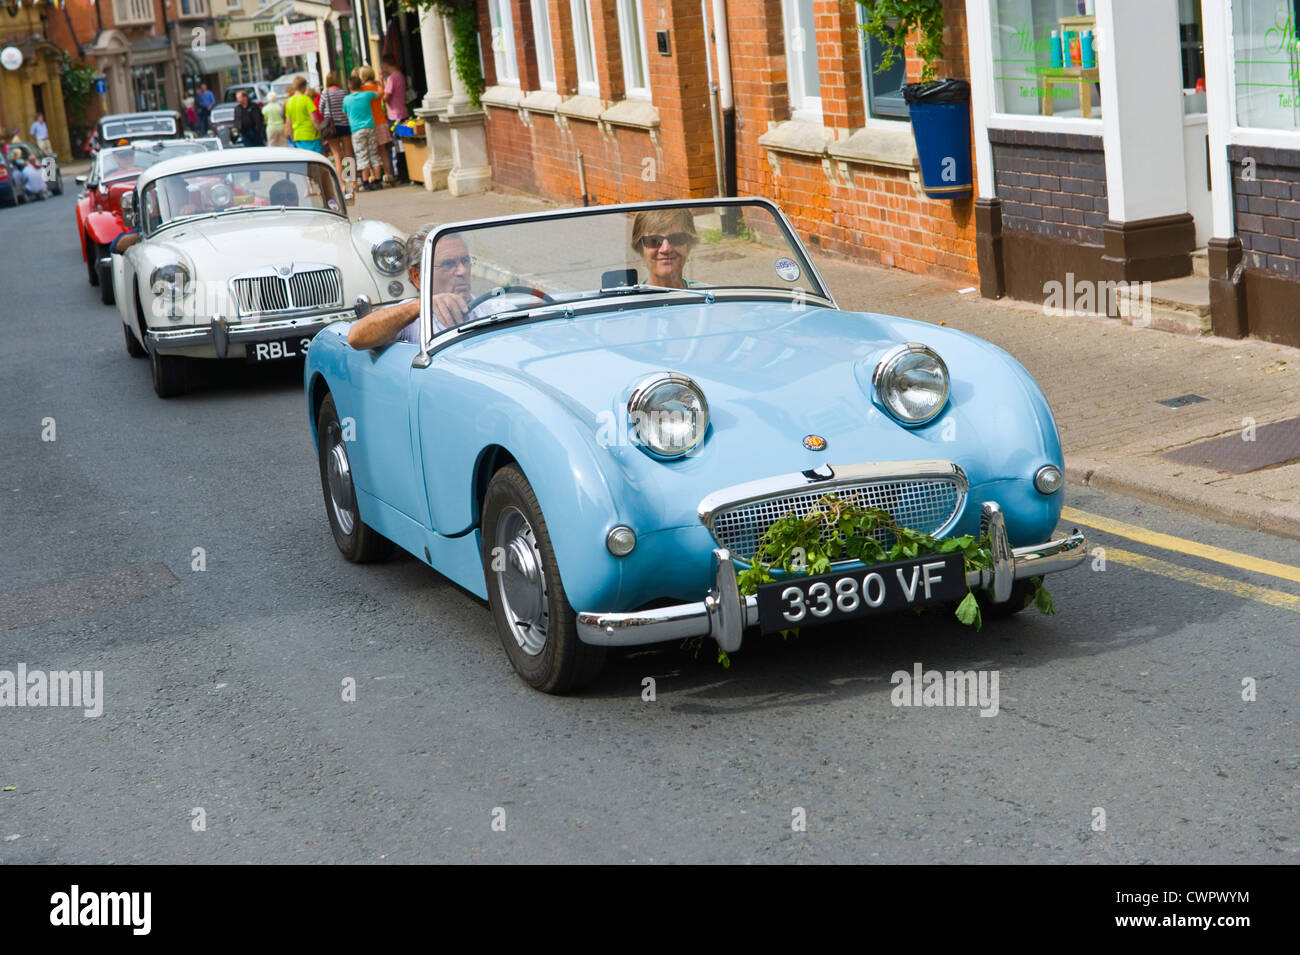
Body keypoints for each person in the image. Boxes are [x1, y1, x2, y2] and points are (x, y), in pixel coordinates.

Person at [349, 226, 499, 349]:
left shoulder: (495, 308)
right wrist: (423, 304)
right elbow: (357, 337)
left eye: (465, 260)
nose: (463, 271)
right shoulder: (413, 321)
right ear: (417, 276)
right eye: (448, 263)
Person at [630, 209, 698, 288]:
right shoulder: (628, 299)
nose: (666, 249)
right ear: (640, 248)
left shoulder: (709, 296)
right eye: (654, 241)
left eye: (676, 239)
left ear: (689, 245)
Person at [342, 75, 381, 191]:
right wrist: (379, 83)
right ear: (361, 85)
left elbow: (345, 113)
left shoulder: (347, 99)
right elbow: (380, 93)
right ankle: (378, 180)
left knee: (361, 155)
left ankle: (365, 182)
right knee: (374, 153)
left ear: (349, 86)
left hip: (356, 130)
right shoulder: (367, 95)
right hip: (370, 127)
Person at [360, 65, 395, 186]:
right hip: (381, 121)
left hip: (370, 123)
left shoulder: (361, 90)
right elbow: (382, 94)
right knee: (383, 151)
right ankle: (388, 174)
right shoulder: (377, 88)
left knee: (371, 152)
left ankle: (373, 176)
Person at [318, 72, 353, 190]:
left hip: (331, 127)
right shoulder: (344, 92)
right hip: (344, 124)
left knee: (337, 155)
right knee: (348, 154)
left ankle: (342, 185)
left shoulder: (325, 93)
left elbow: (321, 109)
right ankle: (353, 182)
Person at [381, 55, 408, 178]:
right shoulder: (400, 75)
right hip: (402, 112)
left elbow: (386, 96)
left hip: (395, 114)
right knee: (402, 143)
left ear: (386, 65)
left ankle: (399, 172)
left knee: (397, 146)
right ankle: (405, 170)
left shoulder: (392, 78)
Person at [284, 77, 322, 153]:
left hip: (298, 137)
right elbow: (314, 119)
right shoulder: (306, 99)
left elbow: (288, 123)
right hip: (311, 136)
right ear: (304, 87)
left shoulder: (289, 102)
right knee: (316, 160)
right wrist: (321, 132)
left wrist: (292, 137)